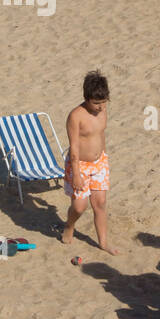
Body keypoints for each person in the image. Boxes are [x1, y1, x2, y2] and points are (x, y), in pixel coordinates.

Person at [61, 70, 116, 254]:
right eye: (96, 103)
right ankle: (69, 226)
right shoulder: (75, 116)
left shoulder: (103, 111)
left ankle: (103, 242)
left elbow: (101, 135)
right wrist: (76, 174)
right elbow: (74, 148)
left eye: (103, 102)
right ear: (86, 98)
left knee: (99, 203)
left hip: (99, 162)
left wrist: (104, 157)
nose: (100, 107)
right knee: (79, 207)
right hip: (80, 165)